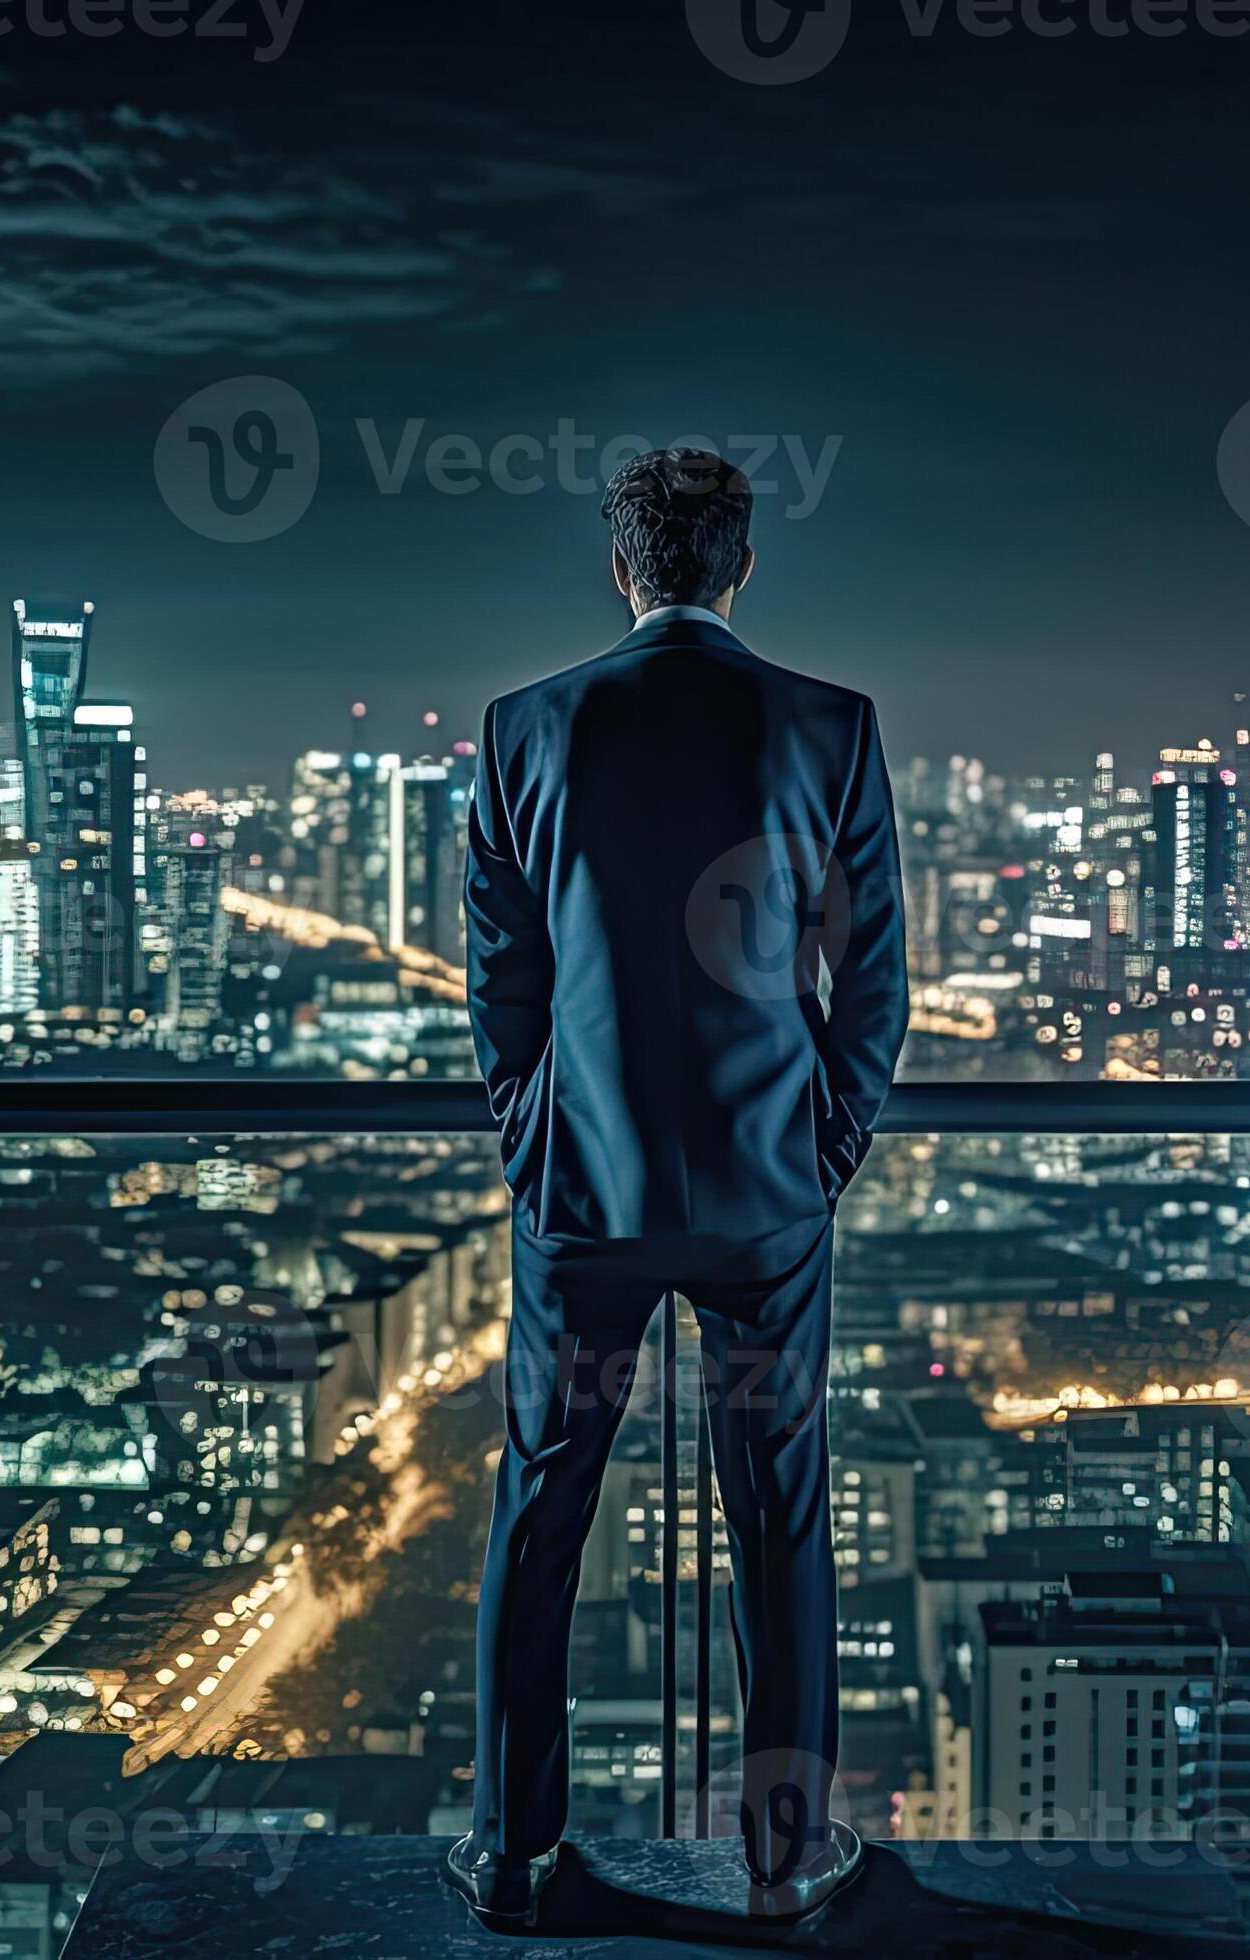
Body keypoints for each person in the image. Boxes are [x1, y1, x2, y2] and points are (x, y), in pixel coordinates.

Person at [443, 445, 908, 1930]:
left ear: (620, 565)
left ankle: (515, 1860)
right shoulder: (827, 725)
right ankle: (779, 1870)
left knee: (541, 1513)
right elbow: (876, 980)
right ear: (743, 565)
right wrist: (819, 1151)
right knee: (778, 1521)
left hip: (582, 1194)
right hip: (767, 1198)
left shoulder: (527, 728)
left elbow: (501, 984)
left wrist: (534, 1142)